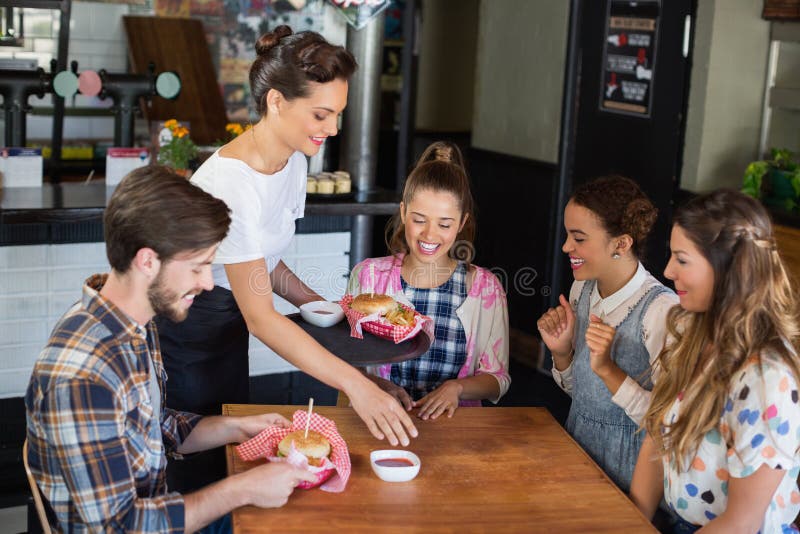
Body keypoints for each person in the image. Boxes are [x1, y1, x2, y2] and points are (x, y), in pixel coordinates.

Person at [154, 25, 417, 484]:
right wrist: (355, 385)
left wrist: (325, 308)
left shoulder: (294, 160)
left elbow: (266, 263)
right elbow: (261, 318)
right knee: (196, 475)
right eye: (320, 115)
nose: (332, 129)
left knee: (230, 462)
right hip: (186, 343)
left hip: (228, 335)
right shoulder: (231, 184)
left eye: (338, 114)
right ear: (276, 102)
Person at [24, 166, 316, 533]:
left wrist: (239, 427)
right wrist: (241, 489)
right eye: (198, 268)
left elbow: (155, 426)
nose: (208, 284)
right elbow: (120, 527)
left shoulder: (132, 325)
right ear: (148, 261)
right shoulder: (83, 376)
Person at [630, 190, 800, 533]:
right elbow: (656, 435)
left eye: (682, 259)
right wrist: (627, 522)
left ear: (727, 268)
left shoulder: (767, 378)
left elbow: (742, 522)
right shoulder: (691, 330)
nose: (667, 270)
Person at [346, 141, 510, 420]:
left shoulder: (485, 288)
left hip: (456, 430)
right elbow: (346, 358)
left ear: (461, 223)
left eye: (444, 224)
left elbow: (498, 378)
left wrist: (457, 388)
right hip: (379, 423)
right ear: (402, 213)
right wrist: (376, 385)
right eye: (419, 220)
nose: (430, 235)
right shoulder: (369, 276)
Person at [537, 175, 677, 491]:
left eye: (579, 238)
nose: (565, 246)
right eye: (567, 235)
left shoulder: (662, 311)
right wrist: (561, 354)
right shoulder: (580, 290)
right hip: (576, 457)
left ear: (621, 243)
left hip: (631, 476)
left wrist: (608, 370)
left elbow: (666, 422)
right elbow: (584, 397)